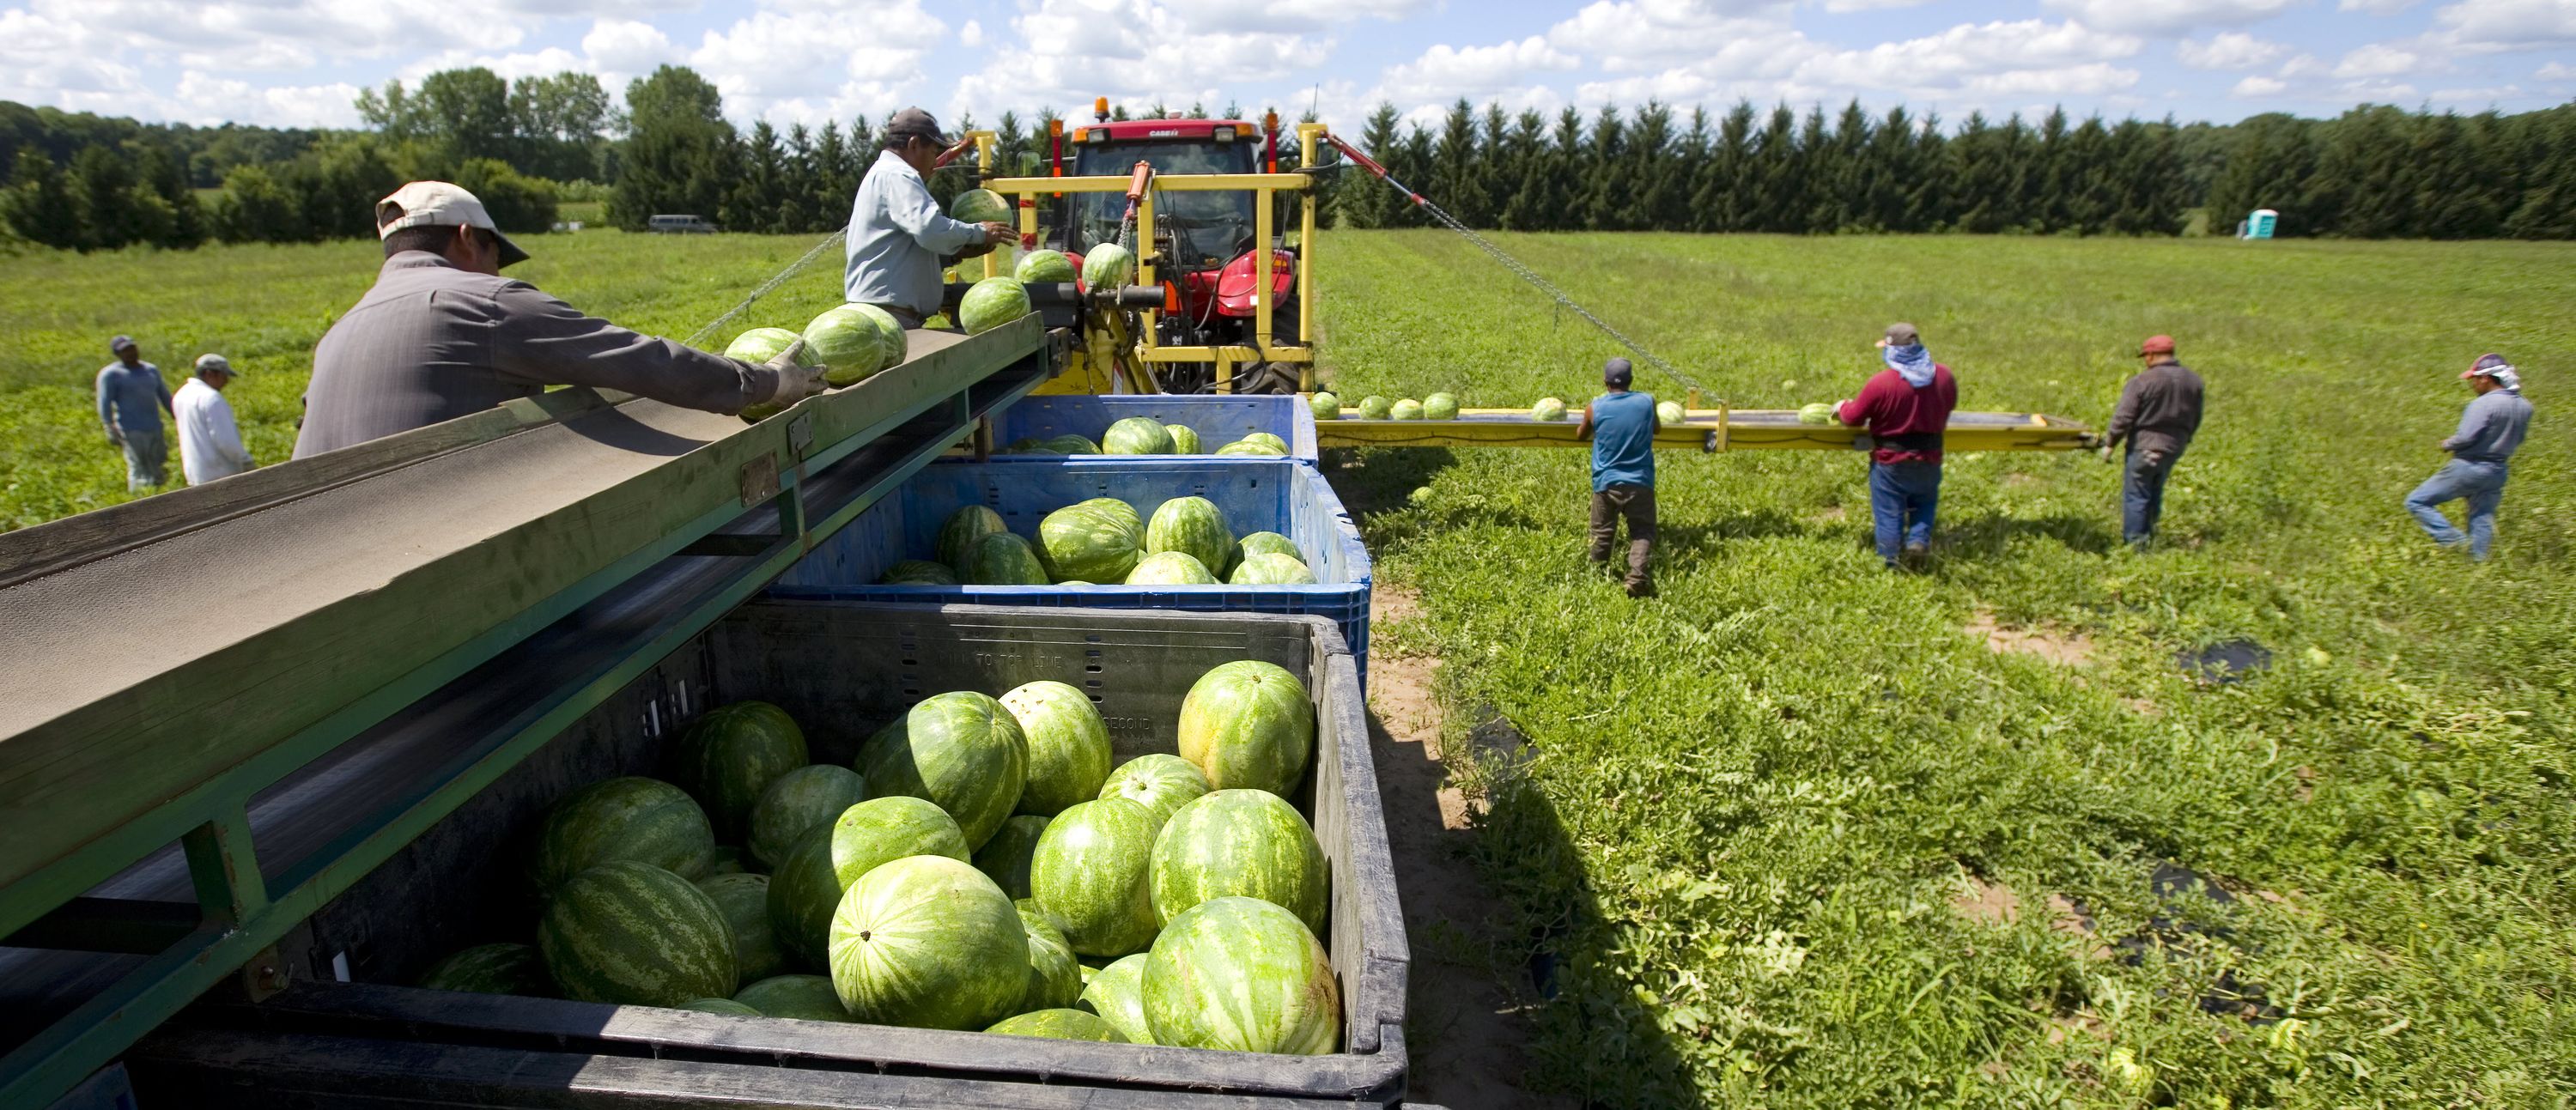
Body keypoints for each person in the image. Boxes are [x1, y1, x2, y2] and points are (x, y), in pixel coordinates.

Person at [297, 181, 824, 458]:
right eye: (493, 256)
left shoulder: (337, 333)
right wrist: (769, 382)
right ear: (465, 238)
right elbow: (643, 361)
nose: (494, 271)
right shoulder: (486, 303)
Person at [844, 106, 1018, 330]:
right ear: (914, 144)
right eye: (934, 151)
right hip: (890, 317)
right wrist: (981, 231)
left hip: (883, 313)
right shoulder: (899, 175)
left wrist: (955, 255)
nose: (934, 161)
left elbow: (898, 248)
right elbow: (930, 230)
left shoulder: (883, 173)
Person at [1838, 323, 1957, 570]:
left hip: (1891, 460)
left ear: (1892, 351)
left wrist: (1841, 407)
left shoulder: (1882, 383)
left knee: (1889, 512)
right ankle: (1917, 542)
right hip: (1930, 456)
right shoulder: (1944, 376)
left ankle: (1890, 563)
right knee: (1924, 503)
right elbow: (1949, 405)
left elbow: (1852, 418)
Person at [2404, 354, 2532, 561]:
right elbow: (2520, 439)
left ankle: (2457, 544)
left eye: (2474, 379)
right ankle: (2477, 562)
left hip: (2470, 467)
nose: (2472, 384)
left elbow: (2466, 437)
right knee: (2482, 516)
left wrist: (2447, 444)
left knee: (2417, 501)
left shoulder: (2483, 404)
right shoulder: (2524, 406)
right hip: (2498, 470)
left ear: (2486, 378)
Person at [2100, 334, 2206, 547]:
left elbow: (2124, 417)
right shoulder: (2194, 381)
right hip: (2174, 446)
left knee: (2137, 495)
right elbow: (2196, 416)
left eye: (2145, 357)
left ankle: (2136, 545)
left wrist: (2110, 443)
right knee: (2156, 490)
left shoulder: (2142, 381)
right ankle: (2150, 535)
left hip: (2144, 446)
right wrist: (2185, 440)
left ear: (2150, 355)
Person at [1575, 357, 1658, 597]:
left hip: (1606, 482)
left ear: (1605, 382)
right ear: (1631, 380)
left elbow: (1581, 435)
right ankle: (1636, 577)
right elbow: (1657, 429)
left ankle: (1598, 575)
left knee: (1602, 531)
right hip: (1640, 481)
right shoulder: (1647, 402)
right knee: (1642, 531)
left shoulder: (1595, 407)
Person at [95, 335, 175, 491]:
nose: (131, 353)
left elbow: (164, 396)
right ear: (117, 354)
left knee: (159, 463)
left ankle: (162, 496)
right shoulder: (111, 375)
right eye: (125, 351)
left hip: (154, 426)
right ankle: (139, 500)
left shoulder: (150, 370)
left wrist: (176, 414)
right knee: (139, 467)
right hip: (131, 429)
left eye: (132, 348)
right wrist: (109, 427)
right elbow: (104, 403)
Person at [173, 354, 256, 484]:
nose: (226, 381)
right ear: (210, 374)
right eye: (224, 376)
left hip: (196, 473)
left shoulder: (182, 394)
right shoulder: (211, 398)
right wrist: (245, 461)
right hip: (220, 473)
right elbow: (226, 441)